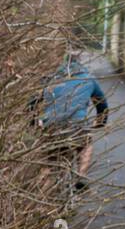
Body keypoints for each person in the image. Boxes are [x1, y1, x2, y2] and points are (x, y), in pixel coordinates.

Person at [36, 54, 109, 186]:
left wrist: (36, 121)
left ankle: (40, 196)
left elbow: (33, 102)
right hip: (77, 125)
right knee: (85, 145)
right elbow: (102, 105)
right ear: (80, 64)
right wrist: (100, 123)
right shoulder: (88, 78)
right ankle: (81, 175)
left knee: (50, 162)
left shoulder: (52, 78)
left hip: (51, 124)